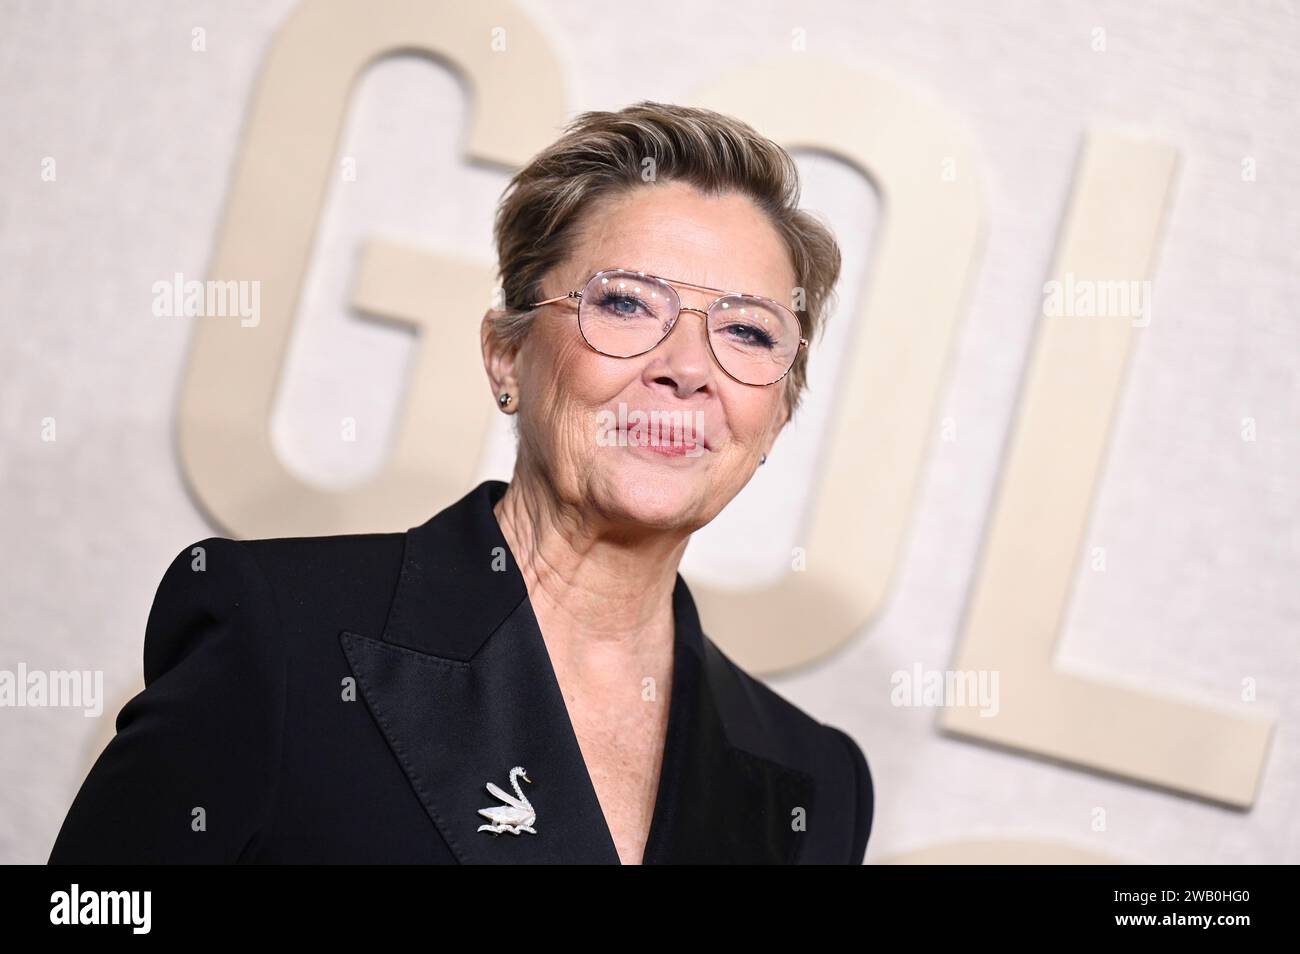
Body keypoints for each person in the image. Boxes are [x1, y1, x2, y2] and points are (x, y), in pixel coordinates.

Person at [48, 101, 873, 864]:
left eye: (748, 331)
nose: (686, 367)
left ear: (778, 414)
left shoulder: (818, 781)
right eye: (626, 304)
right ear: (506, 354)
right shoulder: (280, 637)